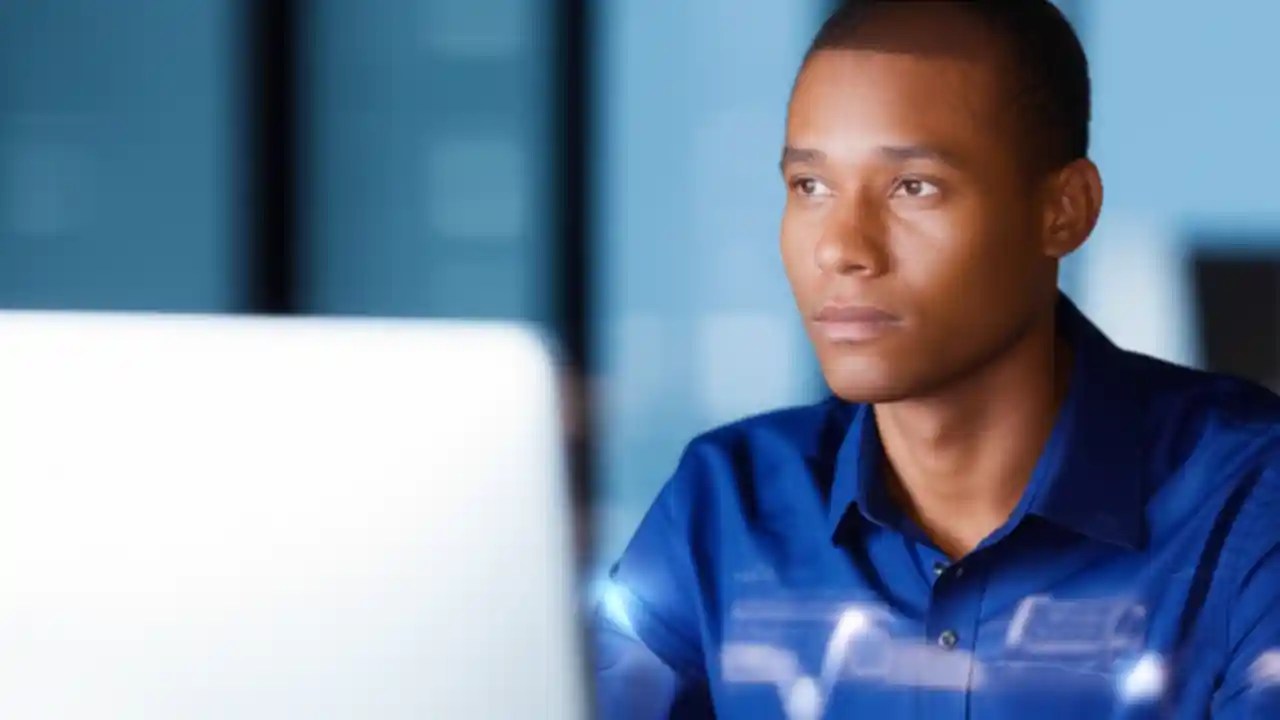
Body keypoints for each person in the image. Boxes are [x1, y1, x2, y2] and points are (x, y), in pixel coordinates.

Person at [593, 1, 1280, 718]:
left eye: (912, 187)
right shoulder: (726, 504)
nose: (841, 248)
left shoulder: (1250, 506)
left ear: (1064, 210)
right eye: (811, 187)